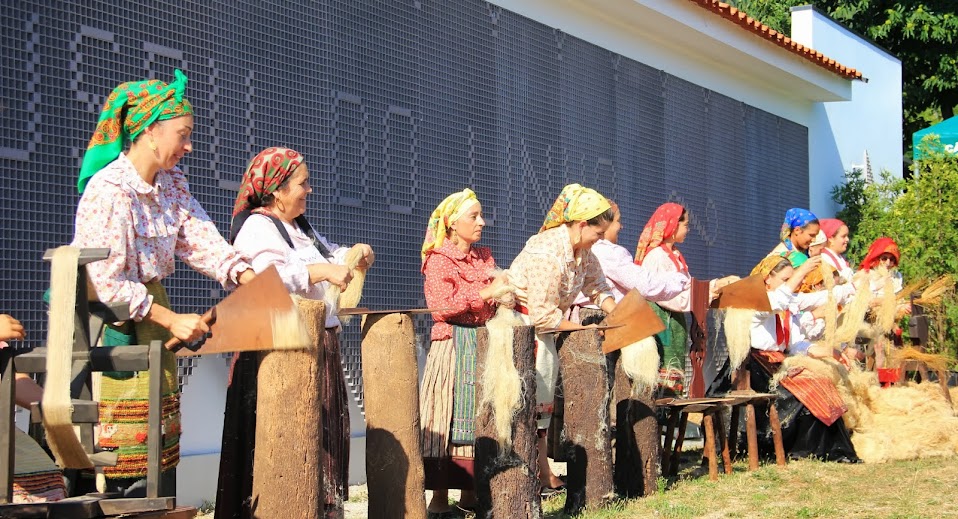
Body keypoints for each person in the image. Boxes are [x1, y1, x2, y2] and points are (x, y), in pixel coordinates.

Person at [71, 70, 255, 496]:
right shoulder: (109, 190)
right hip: (109, 322)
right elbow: (106, 282)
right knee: (124, 446)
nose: (188, 146)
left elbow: (199, 236)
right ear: (151, 132)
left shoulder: (171, 185)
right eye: (182, 135)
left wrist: (244, 276)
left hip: (151, 311)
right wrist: (171, 320)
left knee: (159, 436)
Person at [227, 147, 374, 518]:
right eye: (302, 184)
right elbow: (264, 279)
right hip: (281, 351)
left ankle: (322, 510)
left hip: (317, 344)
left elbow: (330, 256)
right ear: (277, 190)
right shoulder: (257, 228)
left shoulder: (299, 228)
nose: (309, 190)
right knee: (289, 439)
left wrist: (355, 255)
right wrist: (321, 273)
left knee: (324, 436)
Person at [506, 183, 617, 493]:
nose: (600, 238)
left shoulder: (583, 252)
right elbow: (541, 314)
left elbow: (598, 287)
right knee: (525, 405)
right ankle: (528, 476)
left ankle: (542, 473)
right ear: (581, 224)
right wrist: (581, 330)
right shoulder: (547, 252)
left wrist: (618, 314)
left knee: (540, 407)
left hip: (543, 333)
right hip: (522, 329)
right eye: (598, 233)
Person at [419, 189, 504, 516]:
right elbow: (441, 307)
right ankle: (439, 499)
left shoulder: (483, 257)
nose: (481, 222)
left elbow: (497, 297)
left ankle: (469, 493)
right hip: (453, 347)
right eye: (474, 216)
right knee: (447, 414)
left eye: (481, 215)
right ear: (453, 223)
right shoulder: (439, 258)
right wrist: (483, 293)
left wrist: (503, 292)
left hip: (481, 345)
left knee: (477, 417)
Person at [633, 202, 737, 396]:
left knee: (674, 374)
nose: (688, 229)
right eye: (685, 224)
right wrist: (708, 293)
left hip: (673, 320)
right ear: (672, 225)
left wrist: (716, 285)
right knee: (663, 377)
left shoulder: (674, 255)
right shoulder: (656, 257)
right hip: (661, 321)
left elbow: (687, 286)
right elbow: (666, 295)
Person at [819, 218, 854, 284]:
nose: (847, 239)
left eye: (847, 236)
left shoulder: (839, 257)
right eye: (843, 236)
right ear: (831, 239)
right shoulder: (825, 259)